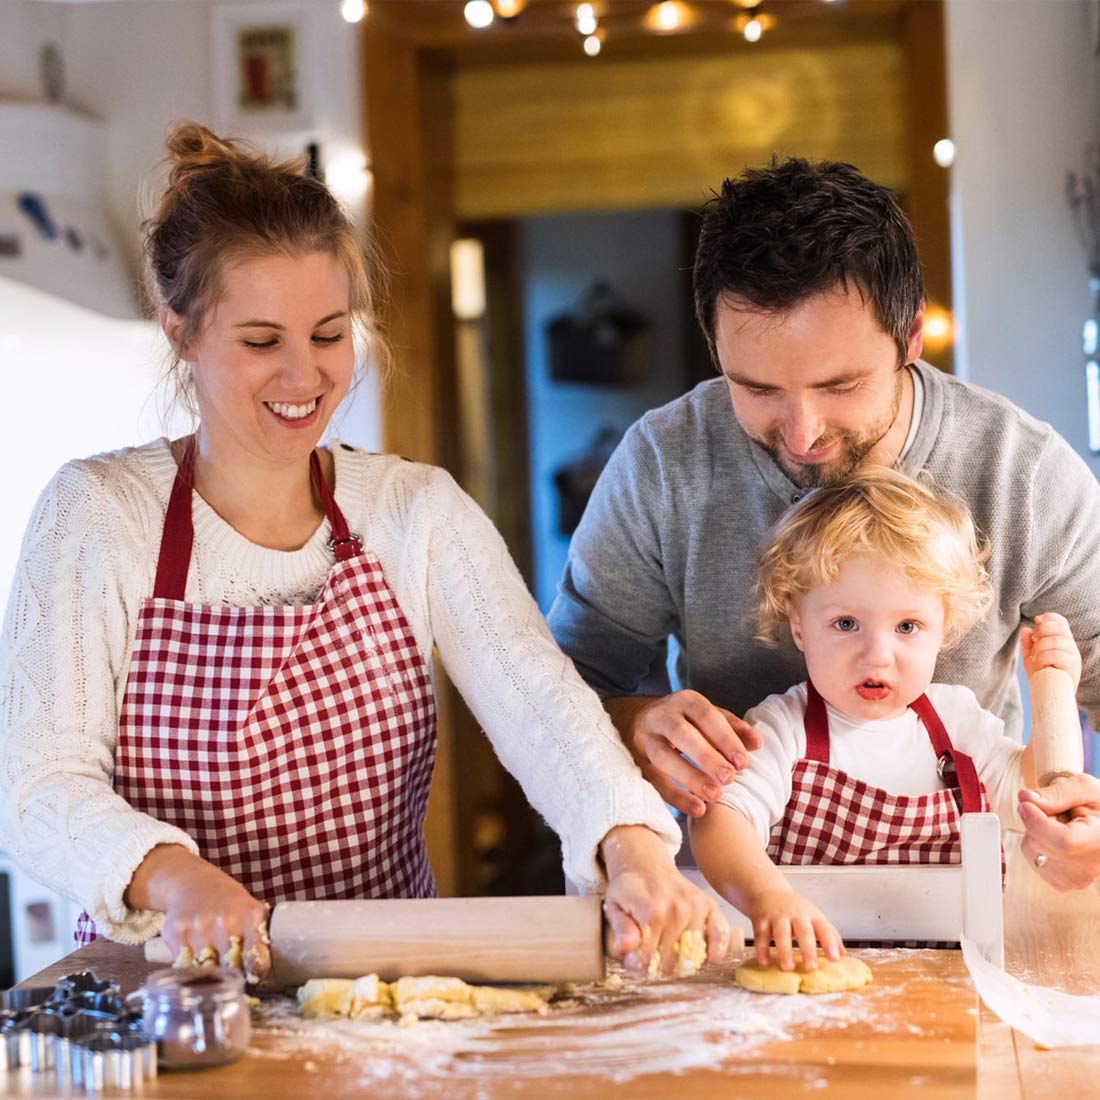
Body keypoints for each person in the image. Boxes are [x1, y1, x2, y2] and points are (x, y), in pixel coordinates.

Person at [0, 123, 728, 980]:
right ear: (181, 332)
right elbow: (38, 788)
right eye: (261, 341)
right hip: (165, 994)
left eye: (329, 334)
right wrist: (178, 878)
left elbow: (543, 707)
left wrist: (633, 848)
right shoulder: (96, 516)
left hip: (381, 992)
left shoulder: (414, 512)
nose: (304, 376)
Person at [547, 157, 1100, 890]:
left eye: (840, 385)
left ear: (909, 339)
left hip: (969, 905)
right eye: (757, 389)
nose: (803, 434)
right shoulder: (662, 463)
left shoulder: (1022, 473)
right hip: (739, 909)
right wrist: (631, 726)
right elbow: (558, 694)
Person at [690, 468, 1081, 970]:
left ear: (944, 631)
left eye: (907, 626)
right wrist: (767, 896)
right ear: (799, 627)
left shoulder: (959, 724)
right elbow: (721, 823)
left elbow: (1040, 796)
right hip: (807, 969)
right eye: (846, 624)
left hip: (950, 983)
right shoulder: (782, 728)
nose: (877, 656)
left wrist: (1055, 685)